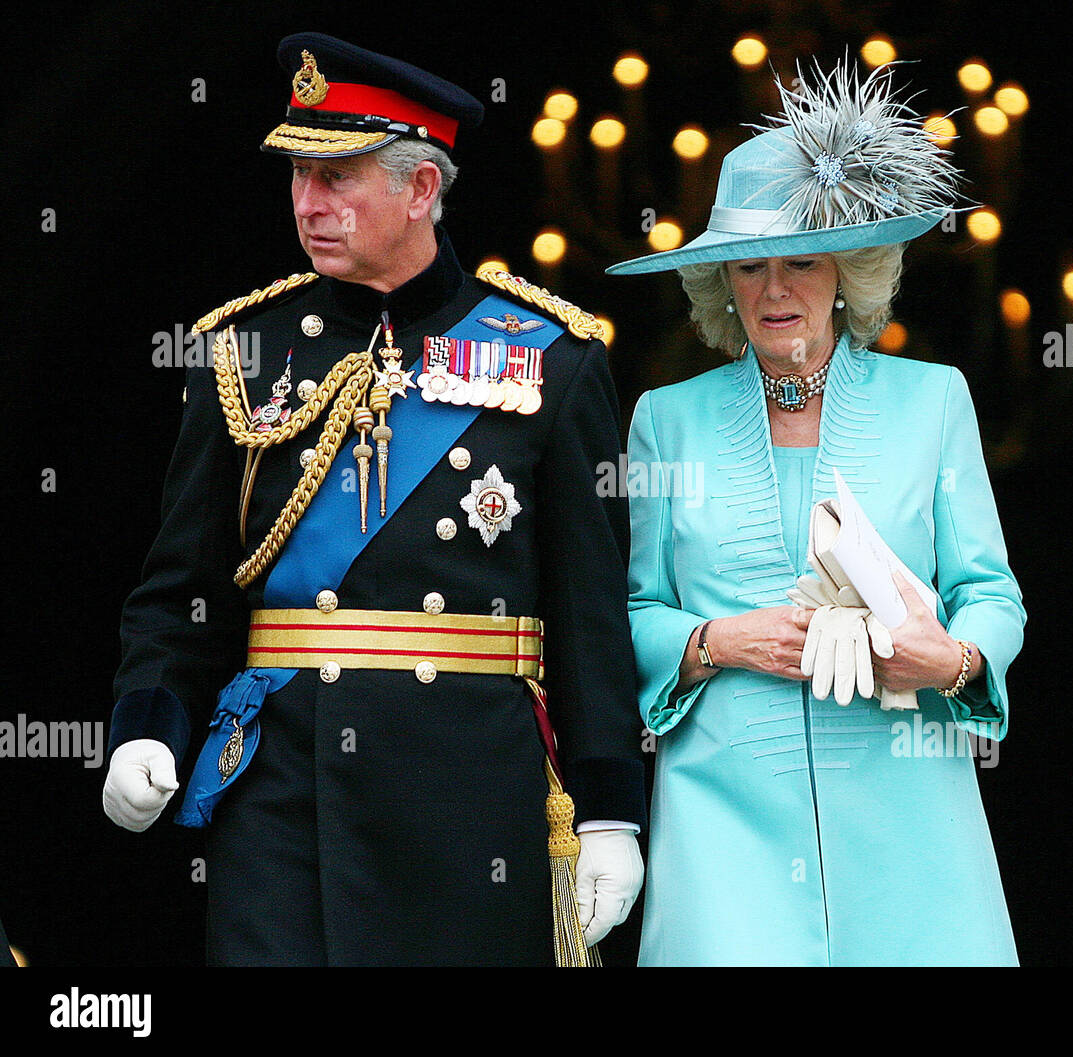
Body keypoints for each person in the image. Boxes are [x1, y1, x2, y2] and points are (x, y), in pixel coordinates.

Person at [102, 32, 645, 966]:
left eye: (340, 178)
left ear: (422, 189)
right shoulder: (245, 349)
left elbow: (588, 615)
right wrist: (146, 723)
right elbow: (180, 589)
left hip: (474, 807)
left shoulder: (554, 356)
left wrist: (609, 812)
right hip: (284, 805)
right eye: (298, 179)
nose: (309, 205)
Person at [607, 60, 1025, 965]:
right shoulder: (665, 421)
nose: (774, 288)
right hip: (725, 815)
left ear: (849, 272)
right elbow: (631, 615)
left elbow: (991, 591)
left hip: (909, 806)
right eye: (747, 265)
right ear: (721, 283)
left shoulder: (934, 402)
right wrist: (725, 638)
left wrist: (949, 657)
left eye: (801, 260)